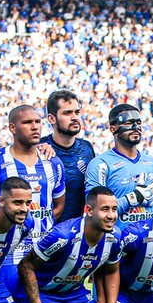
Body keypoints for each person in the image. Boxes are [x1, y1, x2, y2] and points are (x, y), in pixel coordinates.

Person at [16, 186, 122, 303]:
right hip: (42, 293)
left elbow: (110, 270)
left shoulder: (114, 237)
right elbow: (25, 266)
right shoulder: (62, 236)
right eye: (105, 209)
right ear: (89, 210)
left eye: (114, 209)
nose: (111, 215)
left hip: (74, 295)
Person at [0, 103, 66, 263]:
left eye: (38, 122)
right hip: (7, 255)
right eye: (27, 122)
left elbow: (58, 206)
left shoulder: (53, 162)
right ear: (12, 127)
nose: (35, 127)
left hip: (43, 252)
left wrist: (40, 229)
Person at [86, 103, 153, 226]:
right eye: (128, 123)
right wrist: (131, 198)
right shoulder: (100, 164)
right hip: (115, 241)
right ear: (113, 129)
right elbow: (94, 211)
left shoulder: (151, 162)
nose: (136, 127)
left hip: (148, 242)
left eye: (139, 123)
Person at [41, 89, 97, 224]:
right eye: (67, 113)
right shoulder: (39, 148)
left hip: (76, 232)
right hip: (45, 232)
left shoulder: (86, 148)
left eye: (77, 112)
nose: (74, 117)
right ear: (51, 118)